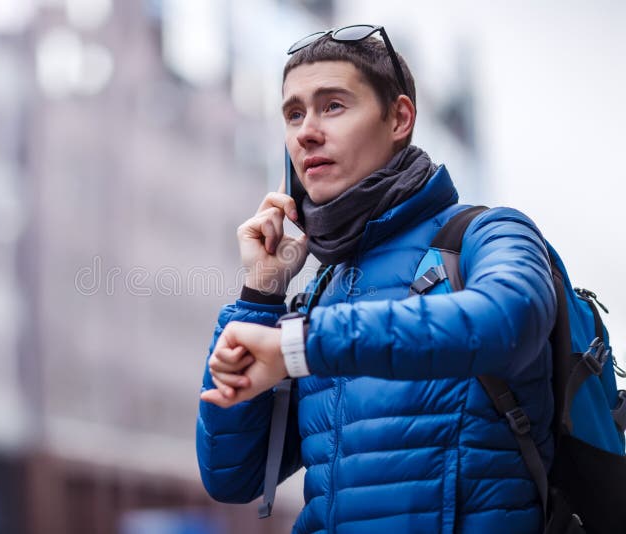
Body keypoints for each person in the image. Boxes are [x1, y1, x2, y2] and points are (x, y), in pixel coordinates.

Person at [196, 24, 557, 534]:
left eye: (333, 106)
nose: (306, 132)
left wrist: (299, 347)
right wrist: (261, 293)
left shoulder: (486, 233)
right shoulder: (318, 293)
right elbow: (233, 478)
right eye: (294, 114)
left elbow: (504, 322)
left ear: (399, 118)